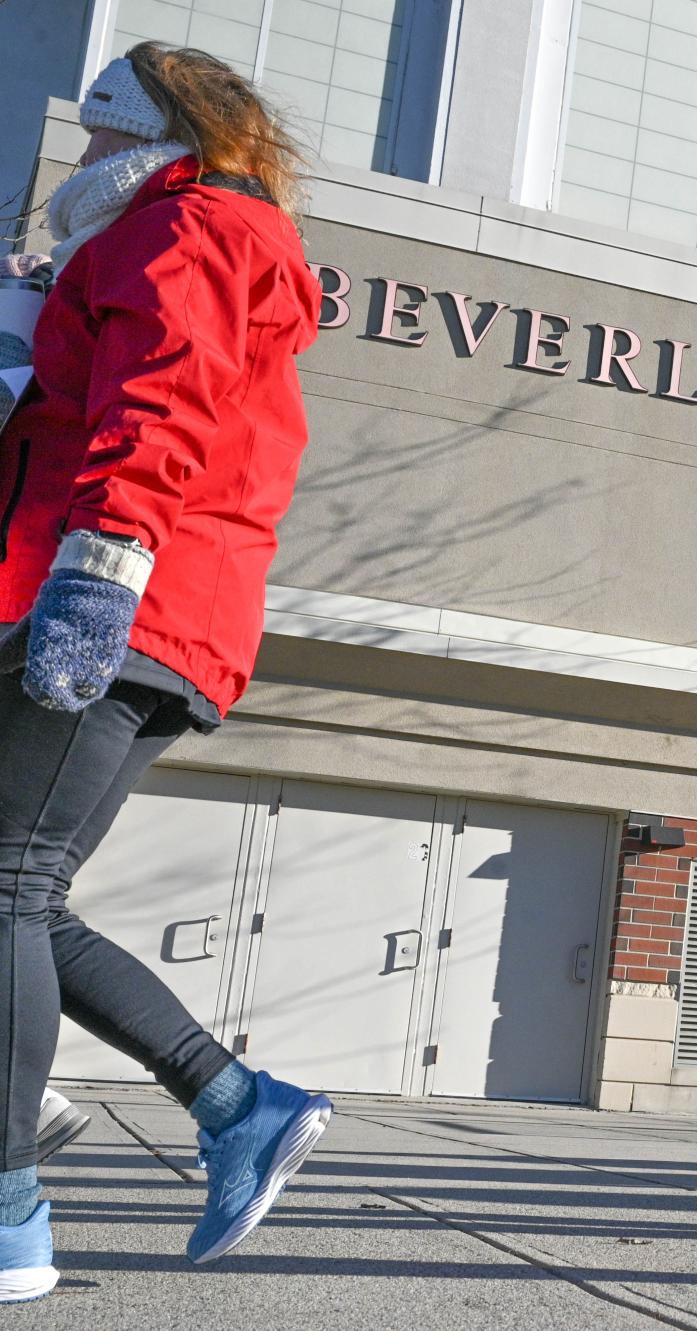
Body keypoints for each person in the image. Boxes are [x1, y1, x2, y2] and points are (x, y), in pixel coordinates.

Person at [0, 44, 333, 1302]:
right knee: (23, 890)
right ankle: (232, 1100)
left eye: (92, 139)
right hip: (144, 601)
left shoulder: (186, 224)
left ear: (152, 135)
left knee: (6, 884)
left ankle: (10, 1206)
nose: (76, 162)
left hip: (122, 598)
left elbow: (167, 397)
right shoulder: (164, 238)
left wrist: (103, 561)